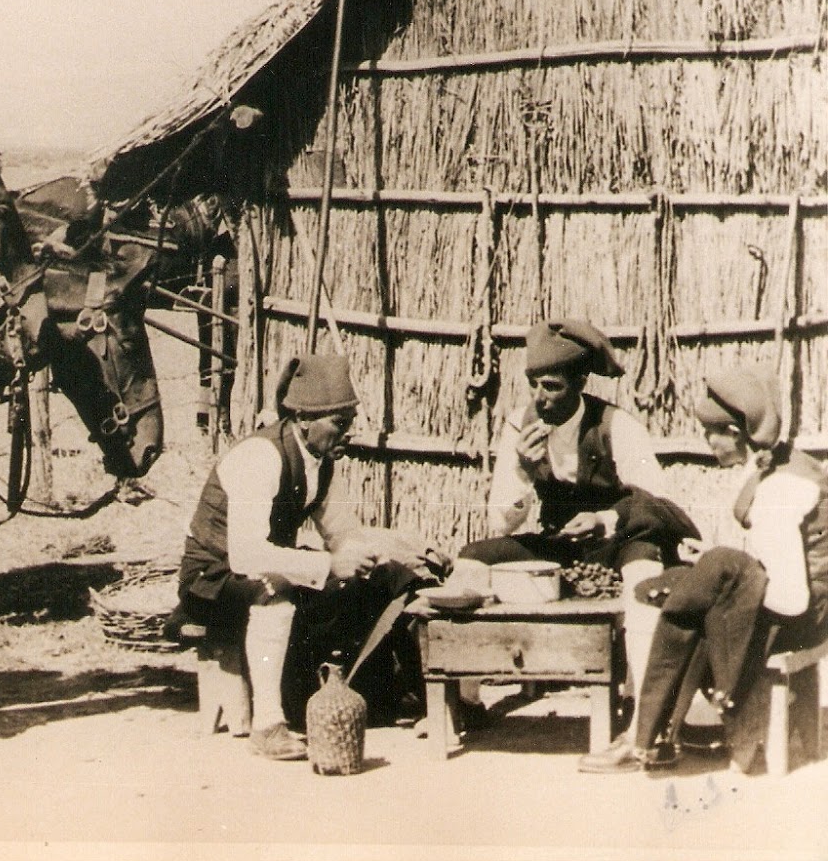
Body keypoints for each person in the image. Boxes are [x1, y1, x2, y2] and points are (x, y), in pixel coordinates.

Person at [172, 353, 443, 760]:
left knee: (386, 577)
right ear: (303, 419)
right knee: (275, 596)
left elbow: (344, 534)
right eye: (339, 423)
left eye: (349, 421)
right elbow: (246, 554)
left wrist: (403, 547)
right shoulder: (260, 456)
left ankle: (426, 697)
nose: (347, 432)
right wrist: (327, 566)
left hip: (263, 565)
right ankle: (268, 725)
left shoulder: (320, 461)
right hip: (213, 575)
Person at [450, 319, 698, 738]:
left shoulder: (617, 427)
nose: (540, 398)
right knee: (472, 561)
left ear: (580, 382)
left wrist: (606, 520)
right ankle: (466, 702)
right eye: (533, 385)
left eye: (552, 387)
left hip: (619, 541)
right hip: (561, 546)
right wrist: (524, 473)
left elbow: (663, 506)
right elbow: (501, 521)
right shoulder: (519, 425)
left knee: (642, 578)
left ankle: (642, 709)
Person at [579, 367, 828, 774]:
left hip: (803, 617)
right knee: (673, 586)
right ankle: (665, 727)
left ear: (734, 432)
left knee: (688, 604)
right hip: (809, 605)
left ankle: (648, 736)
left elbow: (789, 597)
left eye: (712, 432)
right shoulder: (777, 464)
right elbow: (775, 558)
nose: (707, 441)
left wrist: (721, 585)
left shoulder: (778, 490)